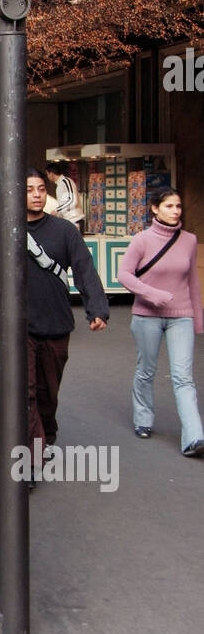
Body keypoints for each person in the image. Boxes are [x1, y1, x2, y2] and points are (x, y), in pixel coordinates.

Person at [26, 168, 108, 459]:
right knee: (27, 393)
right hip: (20, 328)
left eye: (40, 189)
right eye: (29, 190)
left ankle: (45, 435)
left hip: (56, 323)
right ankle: (33, 455)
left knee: (48, 394)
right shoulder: (7, 232)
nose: (36, 195)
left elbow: (84, 268)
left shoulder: (64, 231)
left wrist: (96, 308)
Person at [117, 187, 204, 457]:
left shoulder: (189, 240)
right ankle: (143, 420)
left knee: (183, 377)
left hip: (182, 316)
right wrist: (152, 294)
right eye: (169, 206)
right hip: (147, 316)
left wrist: (197, 319)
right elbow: (124, 274)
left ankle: (194, 437)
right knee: (147, 370)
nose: (175, 211)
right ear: (155, 208)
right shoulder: (142, 240)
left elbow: (192, 282)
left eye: (178, 206)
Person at [45, 161, 84, 231]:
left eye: (47, 174)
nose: (48, 177)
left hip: (74, 221)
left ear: (51, 174)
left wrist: (56, 210)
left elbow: (72, 200)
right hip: (69, 222)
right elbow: (66, 203)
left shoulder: (65, 181)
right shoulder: (60, 184)